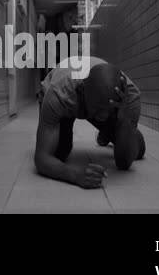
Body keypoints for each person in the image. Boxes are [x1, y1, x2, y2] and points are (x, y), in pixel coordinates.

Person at [35, 56, 146, 189]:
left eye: (108, 110)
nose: (104, 116)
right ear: (82, 91)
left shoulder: (129, 96)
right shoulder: (58, 93)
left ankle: (107, 133)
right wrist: (74, 174)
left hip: (93, 101)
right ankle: (102, 128)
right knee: (60, 153)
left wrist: (125, 119)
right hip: (66, 95)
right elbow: (42, 159)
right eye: (99, 108)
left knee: (137, 151)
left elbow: (124, 164)